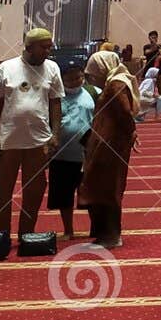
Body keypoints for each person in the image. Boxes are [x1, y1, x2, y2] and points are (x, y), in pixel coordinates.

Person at [0, 28, 63, 241]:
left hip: (39, 142)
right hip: (8, 141)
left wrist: (55, 134)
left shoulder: (53, 68)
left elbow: (56, 104)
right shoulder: (6, 68)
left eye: (49, 46)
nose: (48, 51)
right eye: (44, 47)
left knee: (34, 191)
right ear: (29, 47)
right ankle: (0, 236)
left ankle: (27, 235)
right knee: (2, 192)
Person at [79, 50, 139, 249]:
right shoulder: (114, 82)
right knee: (102, 186)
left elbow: (124, 112)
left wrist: (131, 132)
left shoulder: (115, 84)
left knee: (107, 187)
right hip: (107, 142)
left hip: (110, 144)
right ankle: (105, 233)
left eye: (93, 71)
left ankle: (112, 236)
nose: (91, 76)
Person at [48, 60, 93, 237]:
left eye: (78, 77)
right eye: (70, 79)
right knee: (64, 196)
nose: (75, 82)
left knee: (90, 194)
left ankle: (94, 229)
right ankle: (68, 230)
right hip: (61, 155)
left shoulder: (93, 92)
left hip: (86, 154)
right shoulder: (54, 97)